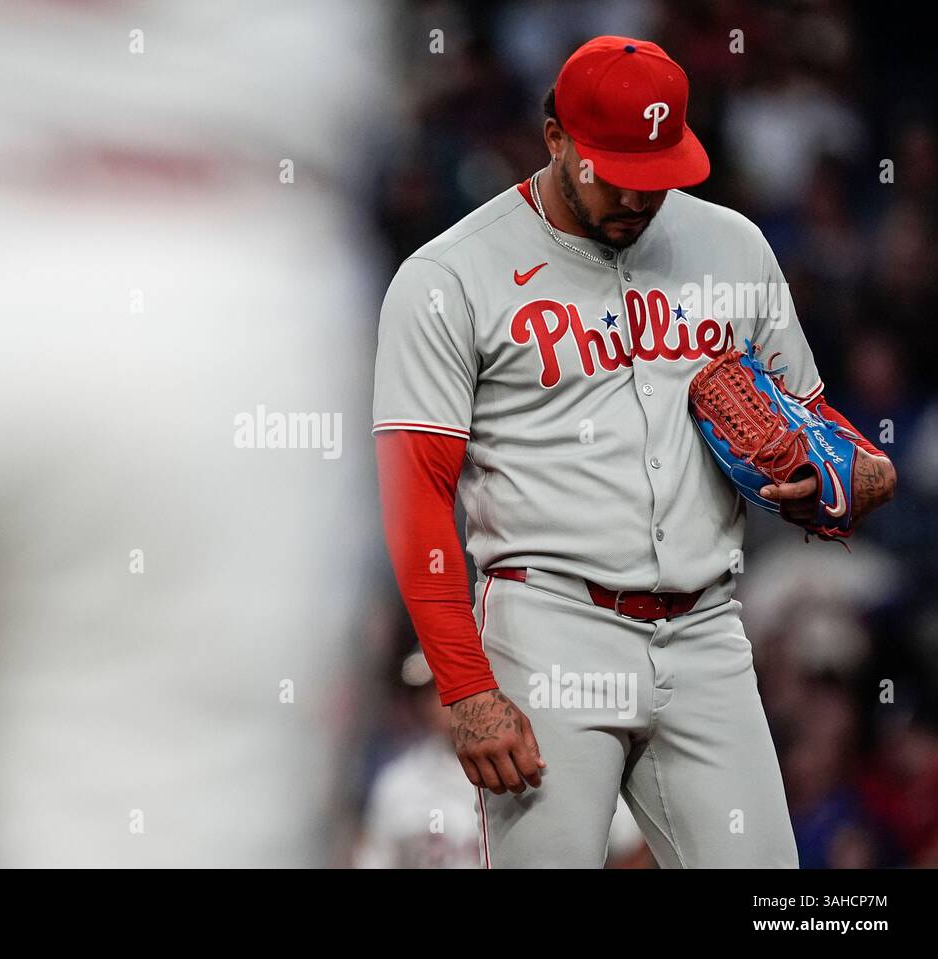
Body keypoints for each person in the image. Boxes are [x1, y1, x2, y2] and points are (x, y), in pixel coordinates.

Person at [372, 35, 896, 868]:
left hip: (707, 631)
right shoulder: (451, 276)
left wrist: (861, 471)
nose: (636, 195)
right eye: (611, 168)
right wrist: (468, 690)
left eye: (655, 174)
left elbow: (812, 416)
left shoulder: (733, 246)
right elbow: (416, 494)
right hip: (549, 629)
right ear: (556, 139)